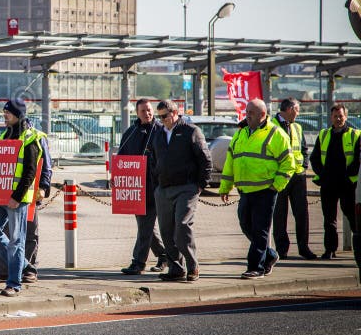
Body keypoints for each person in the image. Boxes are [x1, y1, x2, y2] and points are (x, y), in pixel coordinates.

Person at [219, 99, 295, 279]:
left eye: (251, 113)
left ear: (262, 114)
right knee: (246, 225)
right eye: (246, 112)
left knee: (260, 230)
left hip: (265, 191)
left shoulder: (276, 133)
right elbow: (231, 161)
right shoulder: (241, 133)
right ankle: (270, 255)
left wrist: (276, 186)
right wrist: (225, 187)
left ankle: (256, 267)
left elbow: (288, 163)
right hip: (245, 191)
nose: (247, 115)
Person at [0, 98, 42, 297]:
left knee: (16, 241)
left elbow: (30, 172)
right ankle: (25, 266)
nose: (4, 115)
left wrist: (17, 197)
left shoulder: (30, 137)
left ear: (18, 115)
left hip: (16, 200)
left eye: (7, 112)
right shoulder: (4, 134)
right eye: (4, 112)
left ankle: (14, 284)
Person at [151, 99, 211, 282]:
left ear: (175, 113)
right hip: (164, 189)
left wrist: (200, 185)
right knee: (166, 231)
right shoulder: (158, 134)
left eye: (164, 116)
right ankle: (176, 269)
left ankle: (193, 266)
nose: (162, 120)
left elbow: (205, 159)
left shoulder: (191, 131)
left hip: (187, 187)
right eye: (159, 117)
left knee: (182, 227)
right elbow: (154, 159)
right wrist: (157, 185)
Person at [0, 119, 52, 284]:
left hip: (27, 193)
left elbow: (46, 166)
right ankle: (6, 269)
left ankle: (28, 271)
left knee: (28, 233)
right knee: (5, 233)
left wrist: (43, 187)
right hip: (5, 193)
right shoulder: (6, 134)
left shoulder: (36, 137)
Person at [118, 98, 168, 275]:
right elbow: (121, 158)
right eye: (143, 111)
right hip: (137, 188)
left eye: (149, 110)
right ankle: (164, 255)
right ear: (137, 113)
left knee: (145, 227)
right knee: (146, 227)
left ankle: (138, 263)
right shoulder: (130, 133)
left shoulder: (161, 131)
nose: (147, 113)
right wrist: (117, 178)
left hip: (156, 186)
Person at [309, 103, 361, 267]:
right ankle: (330, 249)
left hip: (348, 185)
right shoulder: (324, 134)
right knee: (329, 219)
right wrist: (323, 175)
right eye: (335, 116)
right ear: (331, 118)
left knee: (353, 218)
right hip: (328, 184)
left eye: (341, 116)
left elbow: (358, 160)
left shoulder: (355, 135)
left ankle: (359, 249)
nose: (338, 119)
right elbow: (314, 158)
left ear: (346, 117)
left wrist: (348, 176)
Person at [270, 98, 317, 260]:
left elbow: (303, 149)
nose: (298, 113)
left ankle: (304, 248)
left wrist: (303, 166)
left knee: (302, 213)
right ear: (290, 109)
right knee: (279, 215)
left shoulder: (297, 126)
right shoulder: (271, 126)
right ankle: (282, 250)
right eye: (297, 110)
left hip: (297, 177)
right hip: (280, 176)